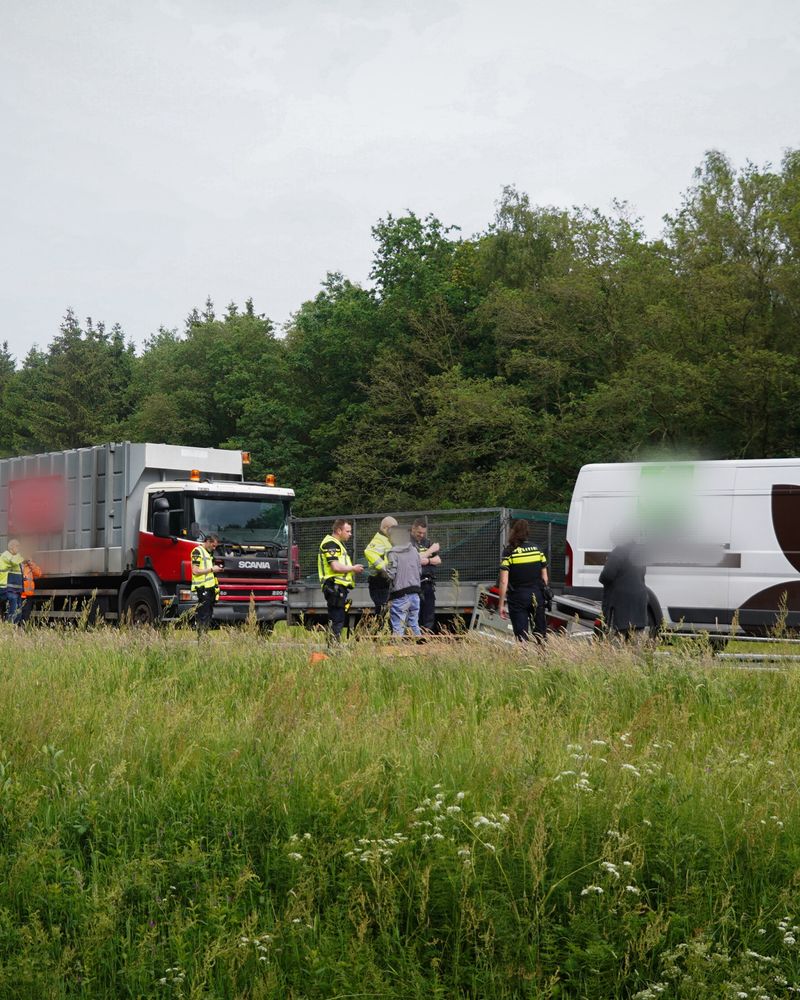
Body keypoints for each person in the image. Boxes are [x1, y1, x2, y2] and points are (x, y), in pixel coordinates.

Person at [497, 520, 549, 642]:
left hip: (518, 597)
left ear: (514, 532)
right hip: (537, 595)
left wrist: (501, 605)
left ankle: (524, 659)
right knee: (540, 633)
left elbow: (504, 581)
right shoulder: (537, 549)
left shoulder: (509, 552)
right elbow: (545, 578)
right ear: (527, 532)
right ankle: (542, 658)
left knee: (521, 636)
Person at [318, 519, 364, 641]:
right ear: (339, 530)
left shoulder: (337, 544)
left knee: (338, 619)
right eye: (347, 531)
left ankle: (334, 646)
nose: (350, 534)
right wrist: (353, 568)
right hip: (334, 586)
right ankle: (333, 648)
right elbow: (335, 566)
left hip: (338, 587)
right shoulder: (330, 544)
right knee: (336, 619)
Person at [599, 536, 649, 640]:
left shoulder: (618, 551)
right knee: (636, 643)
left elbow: (607, 575)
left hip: (621, 604)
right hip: (640, 603)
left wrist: (601, 579)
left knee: (616, 644)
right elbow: (642, 574)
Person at [410, 518, 442, 632]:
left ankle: (426, 637)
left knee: (429, 612)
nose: (421, 535)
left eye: (423, 533)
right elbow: (413, 559)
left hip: (428, 583)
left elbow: (438, 560)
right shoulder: (407, 542)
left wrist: (427, 561)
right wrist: (429, 552)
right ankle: (414, 637)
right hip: (413, 583)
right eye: (419, 532)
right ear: (413, 529)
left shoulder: (427, 542)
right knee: (415, 612)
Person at [364, 516, 398, 618]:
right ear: (386, 528)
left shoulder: (387, 540)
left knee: (387, 611)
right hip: (380, 581)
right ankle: (380, 632)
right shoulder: (379, 540)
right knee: (383, 611)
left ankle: (383, 632)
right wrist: (385, 569)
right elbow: (369, 552)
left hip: (386, 581)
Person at [191, 533, 221, 631]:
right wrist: (212, 569)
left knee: (208, 616)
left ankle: (205, 640)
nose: (214, 548)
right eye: (213, 545)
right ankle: (202, 639)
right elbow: (195, 570)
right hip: (203, 589)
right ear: (208, 542)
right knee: (203, 616)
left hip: (210, 589)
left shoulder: (208, 553)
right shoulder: (197, 552)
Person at [0, 539, 25, 623]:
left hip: (16, 589)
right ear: (12, 547)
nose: (19, 549)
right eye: (18, 547)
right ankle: (9, 627)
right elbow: (14, 561)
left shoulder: (16, 557)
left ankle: (13, 627)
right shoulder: (5, 555)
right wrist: (24, 555)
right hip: (8, 588)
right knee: (13, 610)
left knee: (18, 611)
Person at [17, 556, 42, 626]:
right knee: (17, 616)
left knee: (26, 616)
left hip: (28, 596)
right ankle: (16, 632)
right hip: (18, 596)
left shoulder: (30, 566)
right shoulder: (17, 566)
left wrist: (31, 563)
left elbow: (39, 573)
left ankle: (22, 632)